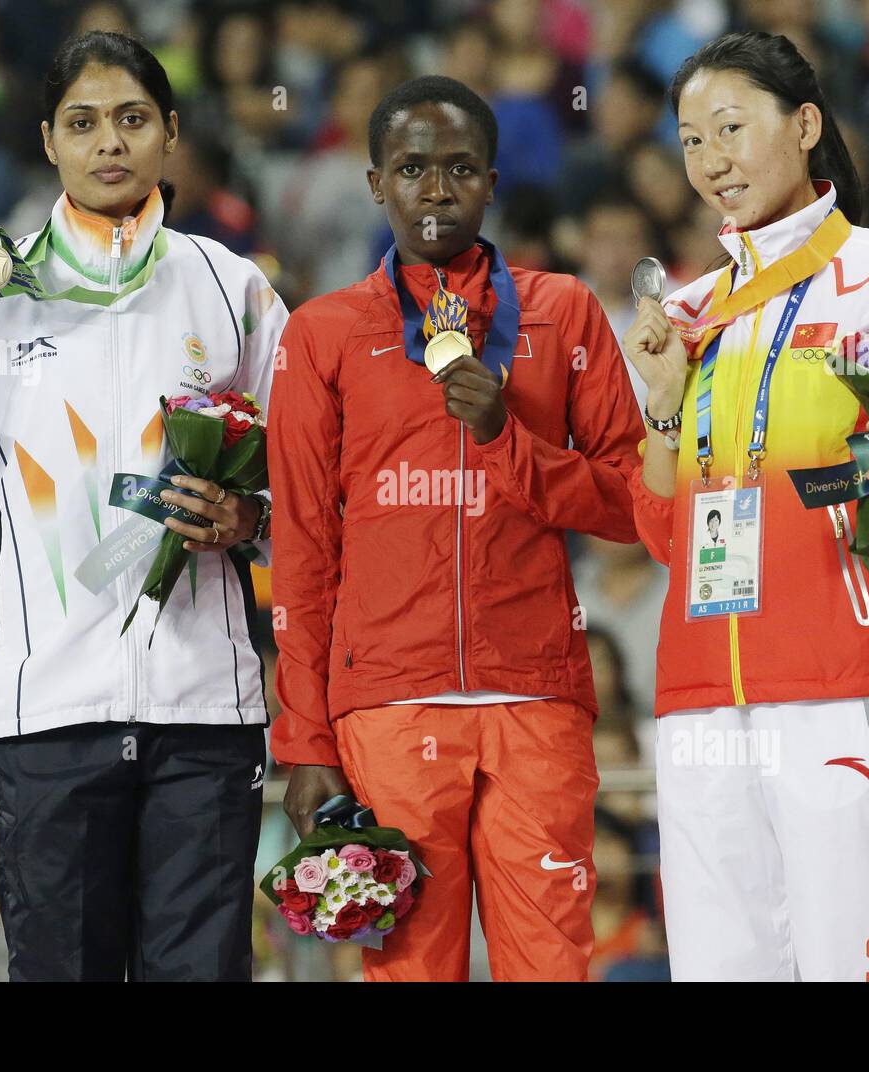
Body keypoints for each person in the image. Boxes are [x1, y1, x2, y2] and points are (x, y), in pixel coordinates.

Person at [0, 30, 286, 981]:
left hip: (204, 710)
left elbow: (308, 484)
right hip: (48, 713)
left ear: (169, 134)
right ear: (47, 141)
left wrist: (250, 521)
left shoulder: (231, 290)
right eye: (83, 122)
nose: (109, 142)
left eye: (132, 119)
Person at [624, 32, 869, 982]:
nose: (710, 159)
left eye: (731, 127)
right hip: (702, 699)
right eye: (690, 139)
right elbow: (660, 530)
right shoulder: (692, 314)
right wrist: (663, 410)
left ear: (804, 126)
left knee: (855, 967)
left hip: (848, 689)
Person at [269, 75, 645, 982]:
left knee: (552, 964)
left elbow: (634, 505)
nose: (436, 190)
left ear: (491, 180)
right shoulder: (322, 335)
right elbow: (305, 553)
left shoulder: (564, 314)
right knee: (409, 971)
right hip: (388, 708)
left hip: (535, 698)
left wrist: (509, 443)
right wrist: (305, 743)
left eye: (460, 169)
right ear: (374, 184)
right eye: (412, 168)